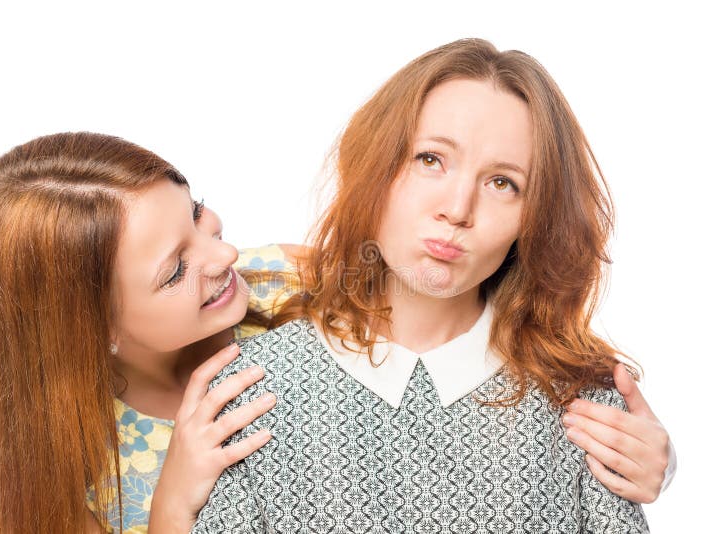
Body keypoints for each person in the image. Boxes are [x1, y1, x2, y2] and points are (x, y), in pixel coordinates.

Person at [192, 39, 660, 532]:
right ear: (377, 166)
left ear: (536, 218)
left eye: (503, 183)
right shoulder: (249, 391)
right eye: (430, 159)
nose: (457, 209)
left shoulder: (586, 406)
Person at [0, 133, 294, 532]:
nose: (226, 255)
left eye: (196, 212)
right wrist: (171, 509)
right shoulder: (64, 478)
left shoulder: (287, 279)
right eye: (174, 273)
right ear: (95, 329)